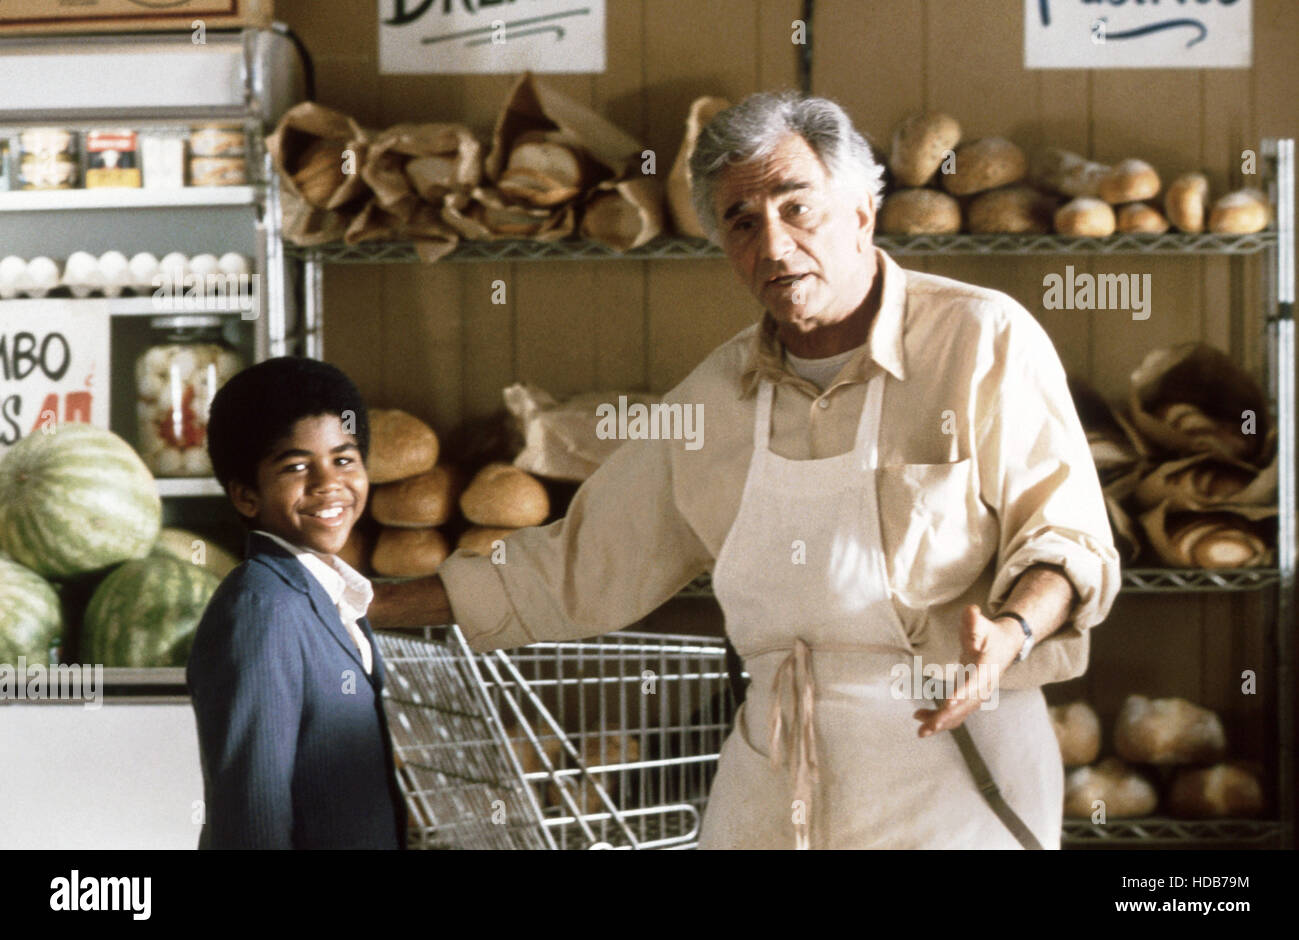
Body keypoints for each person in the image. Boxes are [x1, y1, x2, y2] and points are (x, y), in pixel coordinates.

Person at [369, 91, 1121, 849]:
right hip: (777, 770)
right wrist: (359, 606)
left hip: (957, 764)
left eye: (798, 209)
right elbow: (576, 567)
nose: (774, 246)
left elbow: (1066, 539)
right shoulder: (714, 401)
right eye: (742, 222)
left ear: (862, 212)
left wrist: (1013, 631)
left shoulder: (980, 339)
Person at [188, 357, 407, 849]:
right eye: (297, 466)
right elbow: (252, 818)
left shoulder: (327, 594)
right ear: (246, 496)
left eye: (344, 459)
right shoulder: (262, 608)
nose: (328, 483)